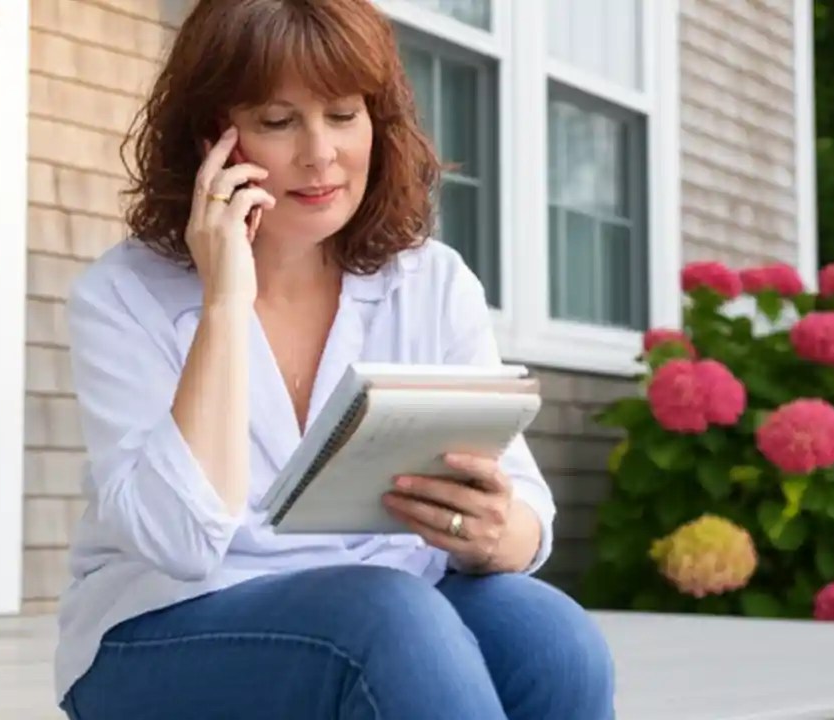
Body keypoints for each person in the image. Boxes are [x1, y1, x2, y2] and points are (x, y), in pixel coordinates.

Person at [53, 1, 615, 718]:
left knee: (554, 639)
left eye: (343, 115)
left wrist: (493, 530)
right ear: (211, 139)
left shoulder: (430, 283)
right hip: (164, 627)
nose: (320, 154)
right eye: (279, 121)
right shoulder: (123, 294)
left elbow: (529, 514)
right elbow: (182, 544)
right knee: (388, 620)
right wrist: (226, 300)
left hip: (393, 607)